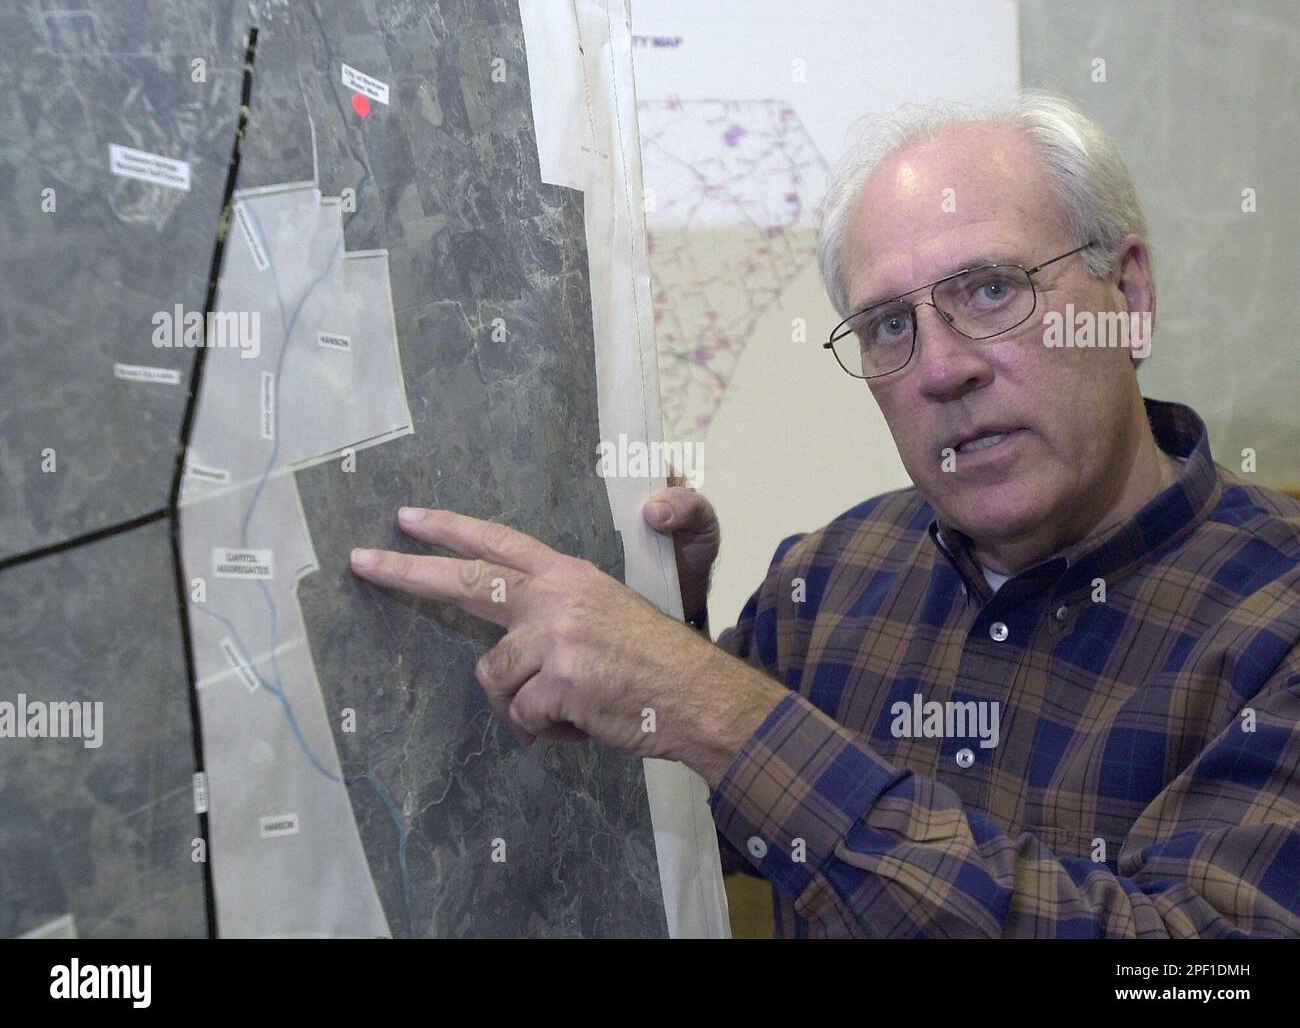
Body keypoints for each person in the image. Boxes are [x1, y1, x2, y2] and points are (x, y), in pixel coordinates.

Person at [348, 91, 1300, 937]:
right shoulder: (832, 573)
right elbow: (693, 832)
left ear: (1128, 297)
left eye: (992, 289)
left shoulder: (1278, 618)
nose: (940, 367)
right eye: (891, 323)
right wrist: (656, 624)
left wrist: (714, 704)